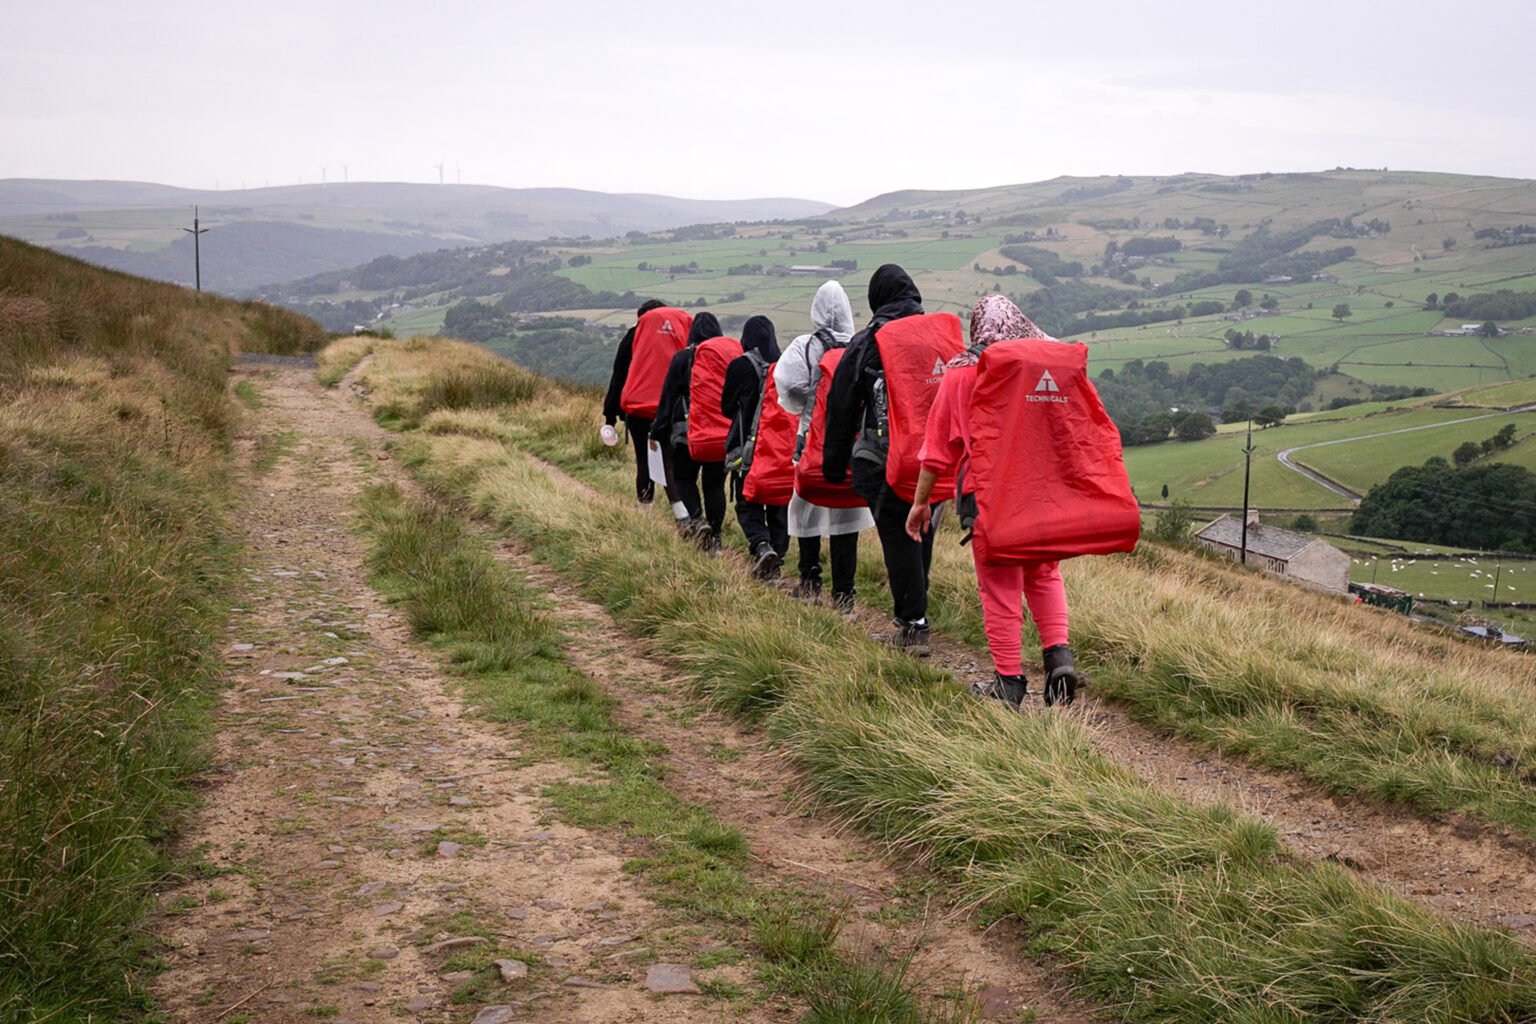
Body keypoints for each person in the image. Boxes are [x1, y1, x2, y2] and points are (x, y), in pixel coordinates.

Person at [905, 294, 1141, 707]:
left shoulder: (960, 375)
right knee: (1044, 573)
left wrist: (921, 503)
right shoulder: (1039, 370)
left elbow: (936, 453)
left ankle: (1009, 682)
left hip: (988, 498)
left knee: (999, 587)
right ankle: (1059, 660)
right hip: (1042, 493)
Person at [823, 265, 963, 653]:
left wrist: (833, 465)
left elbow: (842, 406)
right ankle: (915, 611)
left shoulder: (869, 341)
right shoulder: (942, 337)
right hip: (938, 458)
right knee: (923, 529)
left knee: (899, 535)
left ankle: (914, 622)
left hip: (883, 458)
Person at [775, 281, 872, 609]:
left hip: (811, 440)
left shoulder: (805, 346)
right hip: (852, 443)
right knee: (847, 516)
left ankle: (809, 579)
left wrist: (812, 403)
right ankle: (844, 594)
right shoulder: (862, 345)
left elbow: (787, 385)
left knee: (805, 508)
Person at [652, 313, 735, 549]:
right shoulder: (726, 359)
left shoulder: (683, 357)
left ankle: (698, 521)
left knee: (684, 478)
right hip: (721, 435)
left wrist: (658, 429)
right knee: (714, 485)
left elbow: (668, 396)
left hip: (687, 433)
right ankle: (716, 537)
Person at [722, 315, 790, 578]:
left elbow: (726, 407)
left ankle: (762, 546)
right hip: (778, 445)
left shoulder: (740, 365)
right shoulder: (785, 365)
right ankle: (778, 555)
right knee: (778, 501)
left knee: (747, 501)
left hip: (746, 446)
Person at [603, 298, 667, 504]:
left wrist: (610, 417)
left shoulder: (631, 338)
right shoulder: (674, 339)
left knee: (644, 462)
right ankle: (682, 514)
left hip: (637, 411)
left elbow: (618, 376)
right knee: (670, 464)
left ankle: (645, 511)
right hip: (668, 411)